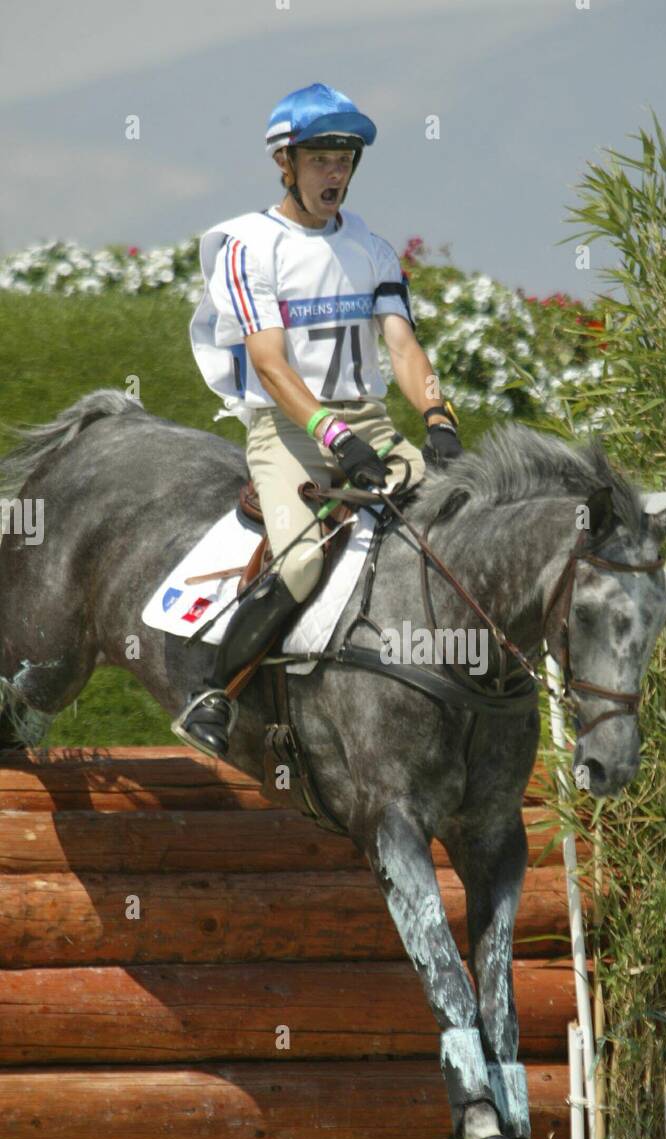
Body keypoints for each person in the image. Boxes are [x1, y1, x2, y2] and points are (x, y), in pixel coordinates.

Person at [174, 81, 463, 758]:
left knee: (463, 532)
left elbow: (402, 344)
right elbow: (271, 366)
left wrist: (437, 417)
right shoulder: (250, 246)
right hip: (289, 432)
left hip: (370, 421)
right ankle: (213, 694)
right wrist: (336, 439)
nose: (335, 173)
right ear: (287, 163)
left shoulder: (371, 246)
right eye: (321, 160)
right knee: (302, 562)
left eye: (344, 160)